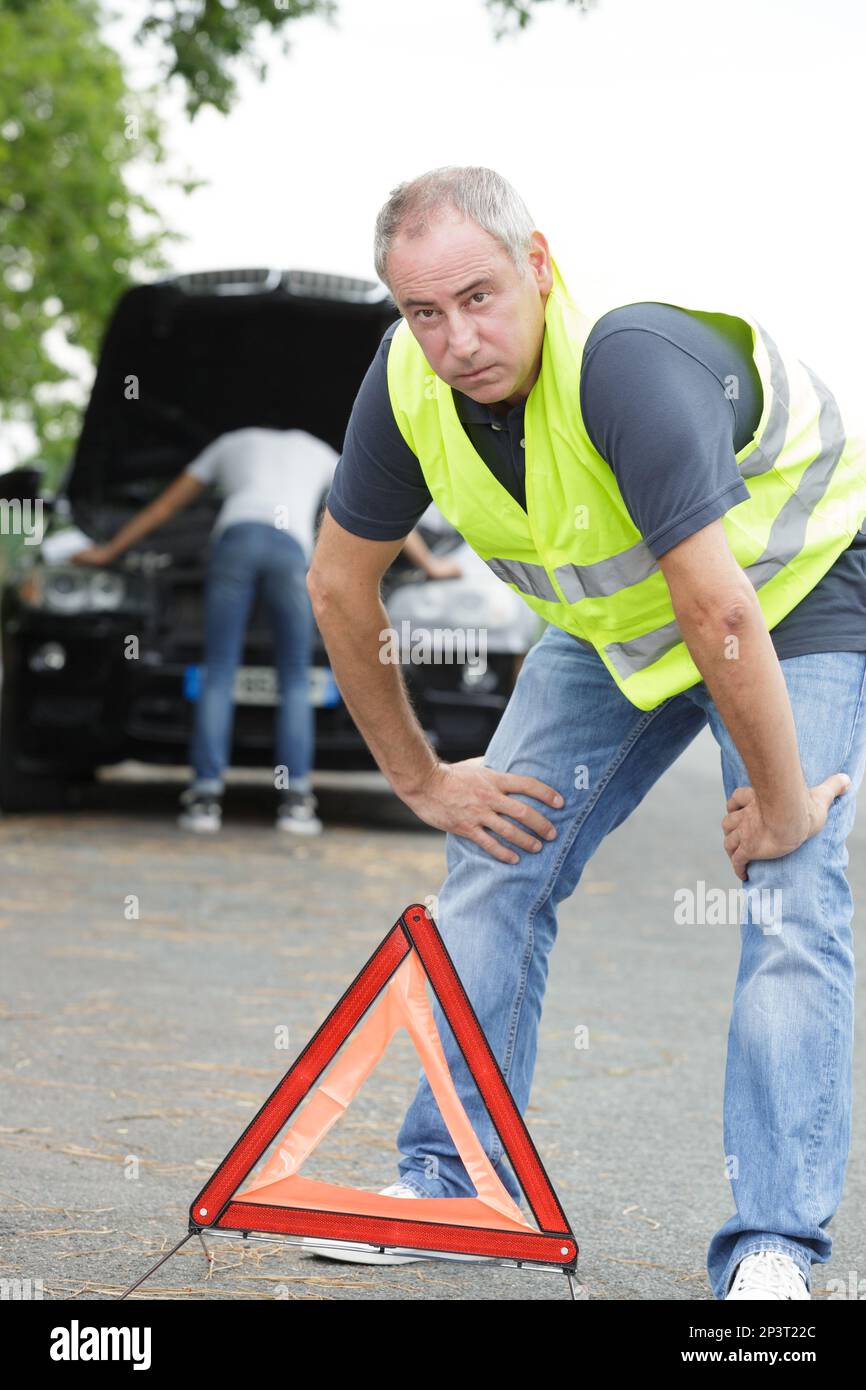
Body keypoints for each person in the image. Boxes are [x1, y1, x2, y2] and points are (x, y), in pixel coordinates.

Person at [304, 166, 866, 1299]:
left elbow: (718, 611)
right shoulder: (404, 388)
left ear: (539, 267)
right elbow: (336, 586)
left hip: (784, 592)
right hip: (614, 625)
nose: (454, 338)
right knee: (491, 854)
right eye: (422, 312)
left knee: (792, 884)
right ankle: (455, 1185)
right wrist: (421, 781)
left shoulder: (625, 364)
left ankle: (771, 1247)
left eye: (477, 296)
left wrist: (784, 799)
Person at [72, 425, 463, 836]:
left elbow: (164, 508)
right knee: (294, 676)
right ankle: (296, 803)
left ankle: (205, 799)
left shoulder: (229, 442)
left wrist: (107, 552)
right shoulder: (317, 449)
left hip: (235, 543)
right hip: (288, 546)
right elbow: (378, 506)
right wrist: (431, 567)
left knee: (220, 669)